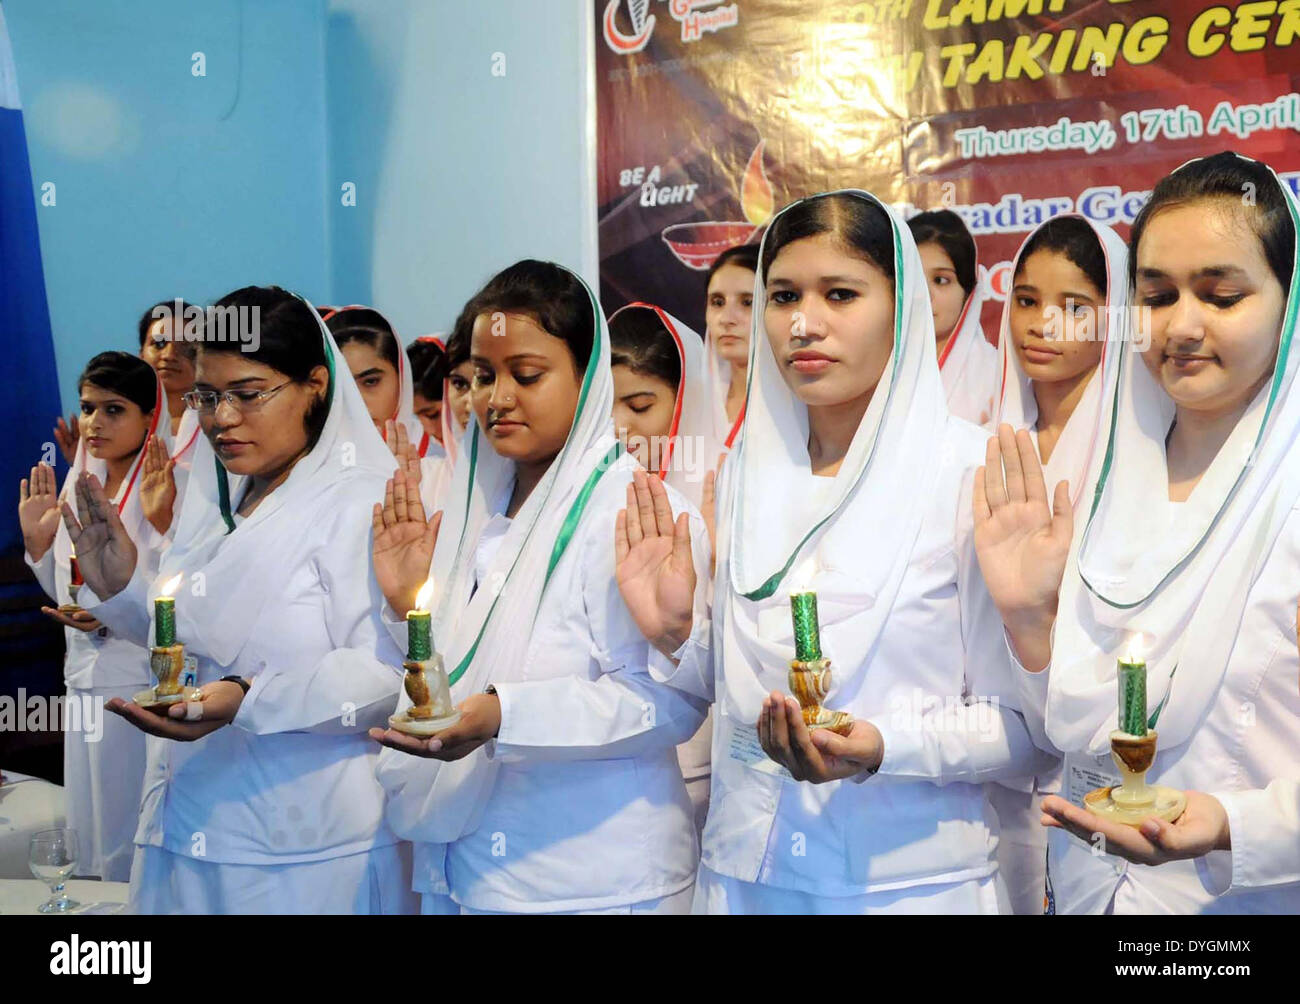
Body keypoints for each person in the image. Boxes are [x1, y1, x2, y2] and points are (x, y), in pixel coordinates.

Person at [620, 190, 1052, 914]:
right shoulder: (748, 473)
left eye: (840, 294)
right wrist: (676, 635)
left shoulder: (971, 474)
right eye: (784, 295)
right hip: (744, 874)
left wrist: (882, 745)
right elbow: (733, 701)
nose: (803, 323)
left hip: (904, 885)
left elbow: (1026, 734)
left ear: (901, 309)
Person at [979, 151, 1300, 913]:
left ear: (1288, 302)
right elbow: (1069, 728)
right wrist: (1032, 627)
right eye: (1156, 295)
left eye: (1221, 295)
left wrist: (1233, 822)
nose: (1181, 326)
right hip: (1091, 889)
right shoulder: (1107, 483)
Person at [369, 260, 710, 914]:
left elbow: (666, 705)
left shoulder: (635, 512)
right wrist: (403, 611)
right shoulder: (469, 511)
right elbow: (440, 676)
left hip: (591, 879)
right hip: (468, 863)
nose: (495, 398)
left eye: (526, 375)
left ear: (588, 380)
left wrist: (504, 716)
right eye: (480, 376)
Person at [64, 286, 415, 914]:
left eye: (247, 394)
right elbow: (192, 639)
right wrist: (121, 588)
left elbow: (389, 676)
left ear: (314, 385)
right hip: (190, 818)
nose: (221, 417)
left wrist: (248, 699)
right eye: (206, 395)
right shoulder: (220, 497)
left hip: (303, 847)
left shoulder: (364, 501)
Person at [983, 213, 1129, 914]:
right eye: (1027, 299)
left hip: (1100, 757)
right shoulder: (988, 439)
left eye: (1075, 307)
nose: (1043, 323)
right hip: (992, 750)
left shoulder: (1137, 448)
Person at [19, 351, 169, 882]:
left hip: (135, 677)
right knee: (88, 817)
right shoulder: (79, 479)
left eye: (114, 409)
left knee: (129, 819)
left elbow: (172, 597)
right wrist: (39, 551)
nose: (95, 423)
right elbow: (71, 590)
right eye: (87, 408)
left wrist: (107, 617)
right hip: (81, 675)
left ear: (151, 416)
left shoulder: (167, 485)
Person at [609, 301, 724, 839]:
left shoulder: (726, 488)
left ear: (687, 401)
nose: (619, 427)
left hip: (702, 756)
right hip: (604, 757)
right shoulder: (591, 499)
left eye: (640, 404)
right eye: (604, 406)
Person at [908, 210, 998, 427]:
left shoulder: (996, 373)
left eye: (940, 280)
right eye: (914, 277)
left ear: (968, 292)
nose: (925, 294)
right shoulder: (874, 367)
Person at [704, 244, 758, 451]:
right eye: (717, 302)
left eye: (747, 302)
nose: (726, 319)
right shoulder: (694, 401)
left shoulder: (803, 408)